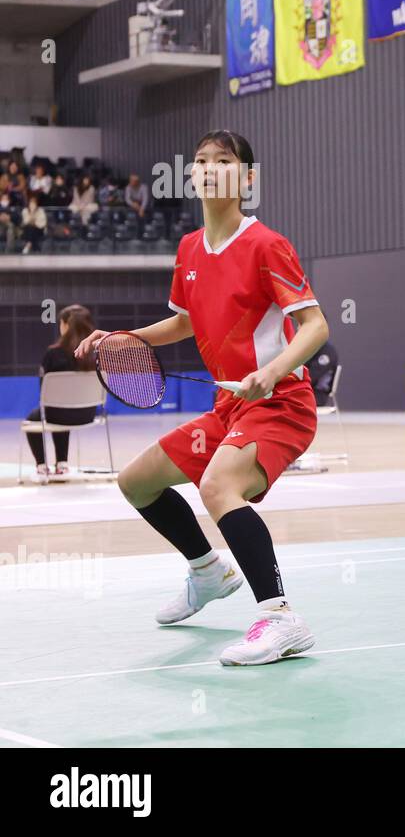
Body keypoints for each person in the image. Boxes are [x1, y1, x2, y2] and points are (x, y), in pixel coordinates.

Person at [76, 130, 329, 667]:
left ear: (248, 178)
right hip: (228, 408)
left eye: (224, 161)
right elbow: (185, 322)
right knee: (136, 481)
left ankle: (282, 618)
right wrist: (122, 340)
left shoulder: (267, 245)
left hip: (280, 402)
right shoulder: (190, 248)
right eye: (201, 161)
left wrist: (271, 371)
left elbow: (315, 324)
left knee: (218, 486)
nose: (210, 169)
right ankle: (208, 571)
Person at [24, 305, 99, 482]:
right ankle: (62, 464)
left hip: (56, 413)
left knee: (36, 417)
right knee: (63, 410)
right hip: (87, 414)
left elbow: (44, 393)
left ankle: (42, 467)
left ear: (65, 325)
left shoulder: (53, 354)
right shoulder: (94, 353)